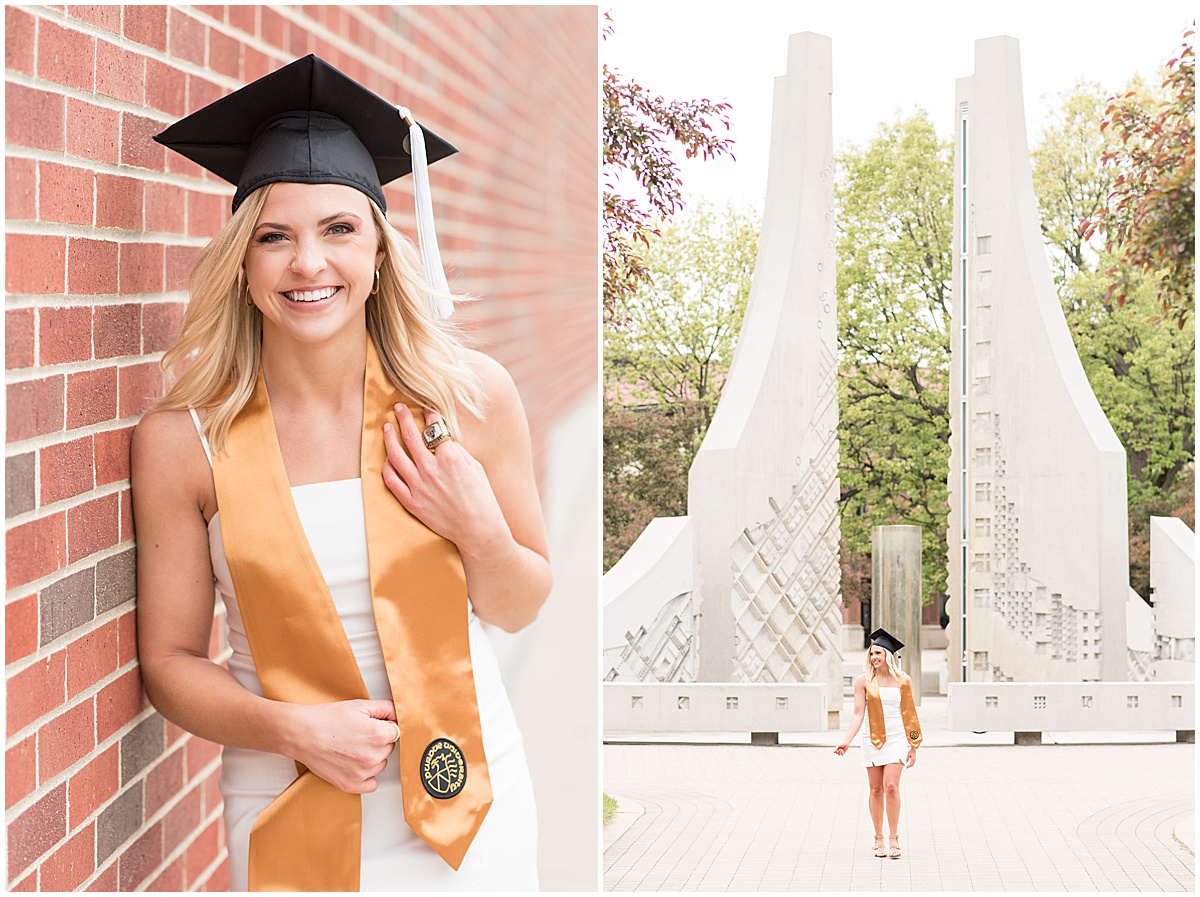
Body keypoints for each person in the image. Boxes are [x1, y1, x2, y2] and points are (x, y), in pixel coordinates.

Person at [132, 56, 550, 891]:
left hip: (467, 793)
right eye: (274, 236)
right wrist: (288, 728)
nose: (307, 264)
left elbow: (519, 601)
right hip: (284, 788)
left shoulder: (465, 400)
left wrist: (476, 526)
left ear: (382, 254)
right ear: (242, 268)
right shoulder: (184, 441)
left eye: (338, 229)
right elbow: (169, 662)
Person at [834, 628, 922, 860]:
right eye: (872, 654)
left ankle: (894, 838)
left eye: (878, 654)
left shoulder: (904, 681)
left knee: (891, 785)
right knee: (875, 788)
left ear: (888, 656)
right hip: (872, 738)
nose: (874, 658)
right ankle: (878, 838)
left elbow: (910, 714)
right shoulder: (864, 681)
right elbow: (857, 714)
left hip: (897, 738)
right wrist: (846, 740)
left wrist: (913, 745)